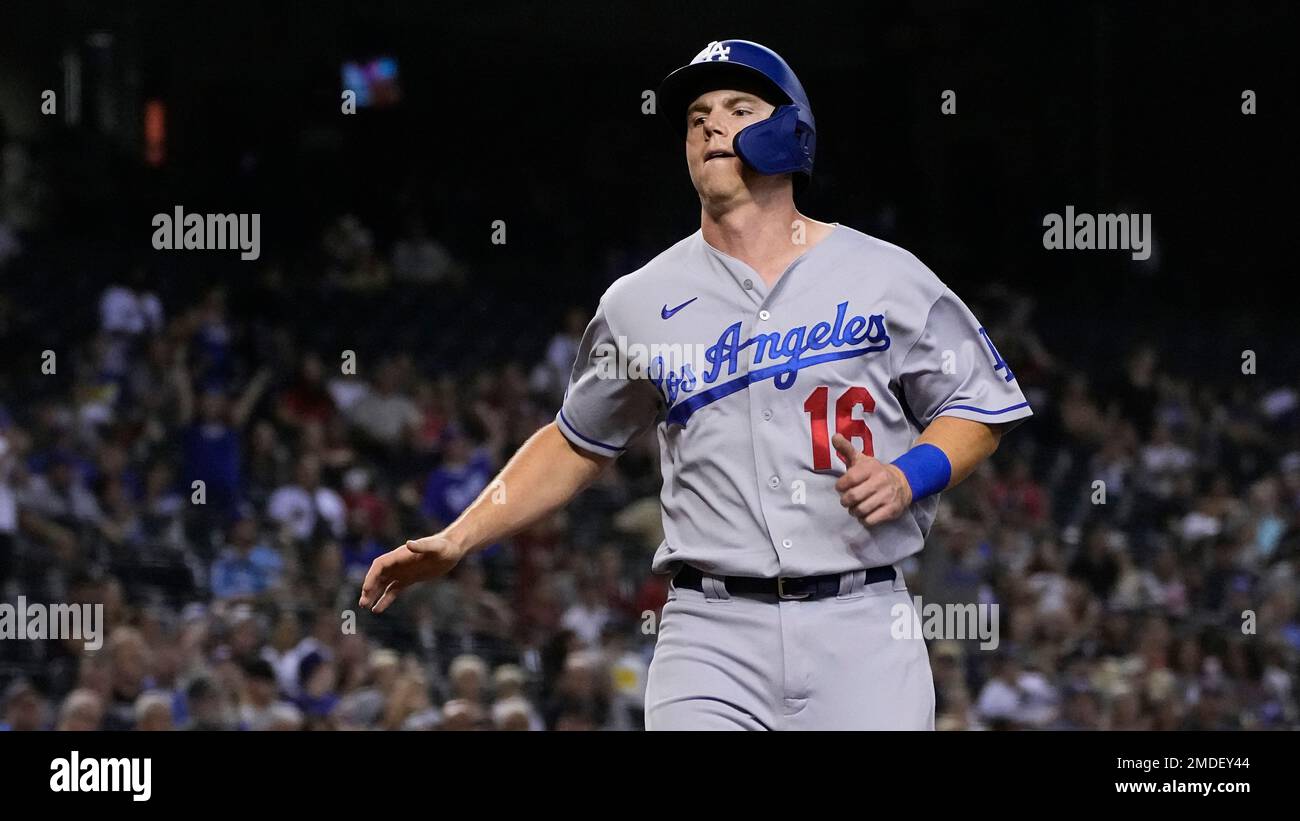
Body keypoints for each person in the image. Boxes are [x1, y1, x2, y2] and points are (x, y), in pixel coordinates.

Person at [360, 39, 1032, 730]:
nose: (710, 124)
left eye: (738, 108)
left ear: (792, 130)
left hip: (861, 625)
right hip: (709, 635)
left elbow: (980, 404)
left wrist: (908, 473)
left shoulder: (884, 274)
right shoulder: (639, 300)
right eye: (696, 116)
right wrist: (460, 537)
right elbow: (576, 441)